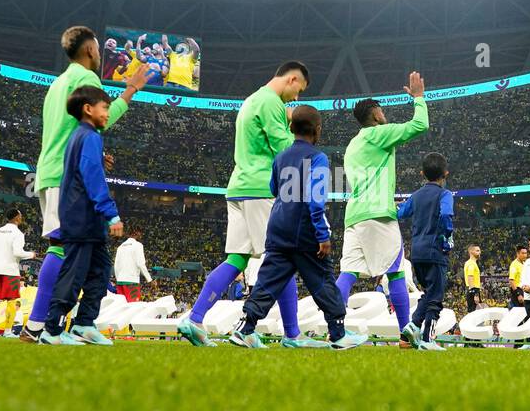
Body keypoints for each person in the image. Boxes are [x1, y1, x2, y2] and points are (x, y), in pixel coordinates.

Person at [22, 25, 146, 342]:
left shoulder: (57, 84)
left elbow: (65, 131)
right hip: (68, 177)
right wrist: (130, 91)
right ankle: (39, 325)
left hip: (51, 168)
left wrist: (91, 153)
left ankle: (69, 322)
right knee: (63, 248)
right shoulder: (87, 80)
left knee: (70, 248)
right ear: (91, 49)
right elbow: (101, 119)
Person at [179, 61, 310, 348]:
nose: (296, 98)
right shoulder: (271, 102)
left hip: (238, 187)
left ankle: (195, 318)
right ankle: (292, 335)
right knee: (284, 259)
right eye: (299, 90)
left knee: (237, 259)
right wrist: (291, 126)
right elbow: (285, 149)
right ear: (291, 79)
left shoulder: (252, 100)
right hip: (260, 189)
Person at [228, 105, 367, 350]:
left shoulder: (280, 156)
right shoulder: (318, 158)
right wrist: (322, 235)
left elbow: (273, 189)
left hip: (278, 226)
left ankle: (245, 328)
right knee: (323, 280)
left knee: (268, 281)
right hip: (304, 230)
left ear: (291, 128)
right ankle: (338, 334)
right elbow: (316, 199)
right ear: (318, 130)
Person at [335, 71, 430, 342]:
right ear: (375, 114)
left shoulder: (353, 144)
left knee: (348, 273)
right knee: (396, 270)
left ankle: (335, 330)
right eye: (382, 110)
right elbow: (419, 125)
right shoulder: (378, 133)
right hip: (378, 214)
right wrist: (419, 98)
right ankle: (406, 335)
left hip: (354, 215)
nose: (384, 113)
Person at [42, 86, 124, 346]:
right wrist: (111, 214)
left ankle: (84, 324)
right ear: (88, 109)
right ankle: (52, 329)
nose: (108, 113)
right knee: (74, 273)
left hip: (86, 220)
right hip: (82, 218)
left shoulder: (82, 137)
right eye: (105, 107)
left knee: (100, 272)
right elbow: (92, 177)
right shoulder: (88, 136)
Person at [397, 152, 455, 351]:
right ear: (445, 173)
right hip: (435, 251)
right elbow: (447, 214)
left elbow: (401, 213)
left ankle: (413, 325)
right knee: (436, 296)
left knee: (429, 293)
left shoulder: (416, 195)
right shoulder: (444, 195)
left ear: (422, 173)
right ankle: (427, 339)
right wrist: (447, 234)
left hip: (417, 252)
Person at [113, 227, 153, 301]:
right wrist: (149, 280)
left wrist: (119, 279)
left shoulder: (120, 247)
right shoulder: (138, 245)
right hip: (131, 282)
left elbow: (116, 266)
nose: (141, 237)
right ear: (136, 234)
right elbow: (141, 264)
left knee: (121, 308)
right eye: (140, 234)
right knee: (133, 307)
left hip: (120, 282)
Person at [463, 244, 483, 312]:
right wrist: (475, 294)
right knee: (475, 315)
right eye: (477, 250)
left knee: (474, 314)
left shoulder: (469, 263)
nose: (479, 252)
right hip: (473, 290)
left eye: (479, 251)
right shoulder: (471, 263)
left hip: (471, 290)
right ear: (471, 252)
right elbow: (470, 277)